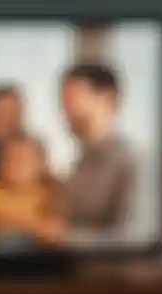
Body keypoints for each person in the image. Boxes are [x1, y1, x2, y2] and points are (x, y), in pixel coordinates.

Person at [59, 63, 136, 243]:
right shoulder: (81, 161)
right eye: (63, 101)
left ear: (108, 99)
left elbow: (131, 237)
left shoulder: (131, 160)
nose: (65, 111)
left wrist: (62, 237)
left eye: (73, 99)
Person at [0, 135, 64, 245]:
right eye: (10, 158)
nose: (17, 164)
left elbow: (55, 232)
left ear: (40, 164)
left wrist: (22, 222)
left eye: (25, 159)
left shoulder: (49, 194)